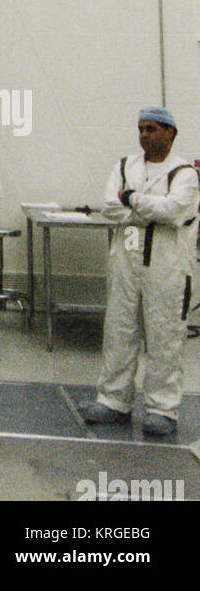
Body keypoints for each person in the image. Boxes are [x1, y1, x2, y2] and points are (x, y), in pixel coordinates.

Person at [81, 107, 198, 438]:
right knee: (119, 330)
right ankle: (113, 401)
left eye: (152, 129)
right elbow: (110, 207)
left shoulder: (184, 173)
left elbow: (174, 211)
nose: (144, 134)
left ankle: (162, 408)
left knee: (164, 336)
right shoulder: (124, 166)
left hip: (168, 267)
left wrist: (131, 199)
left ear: (170, 133)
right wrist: (146, 211)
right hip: (126, 263)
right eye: (140, 129)